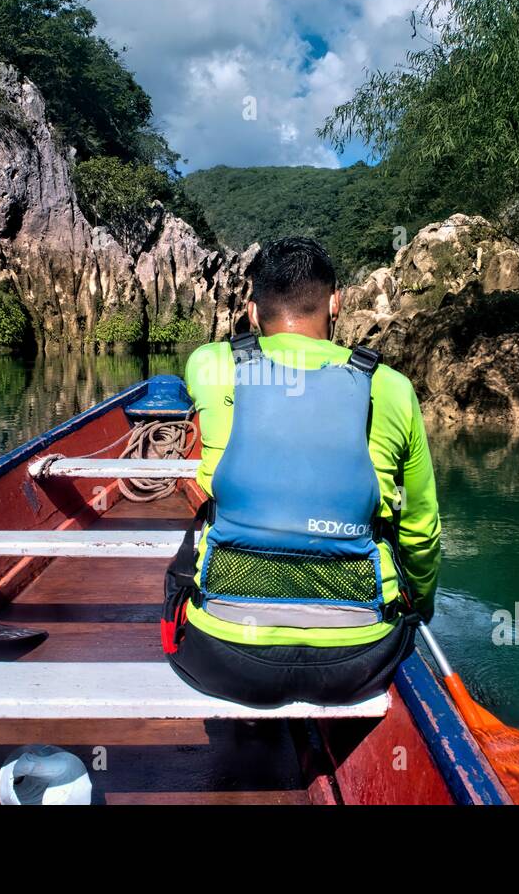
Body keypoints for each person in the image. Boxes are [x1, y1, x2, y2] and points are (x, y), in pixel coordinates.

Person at [161, 236, 441, 707]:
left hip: (224, 656)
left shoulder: (208, 364)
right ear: (337, 303)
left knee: (180, 564)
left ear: (252, 311)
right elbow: (420, 531)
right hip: (360, 659)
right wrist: (422, 606)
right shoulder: (392, 387)